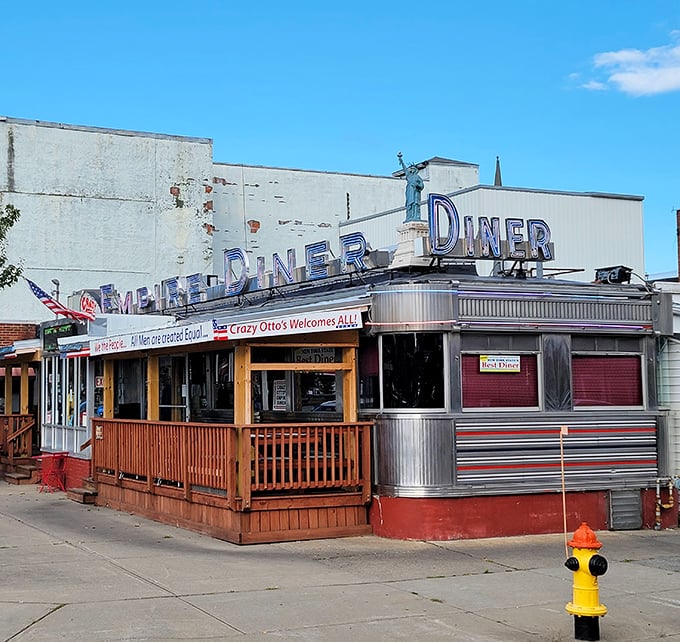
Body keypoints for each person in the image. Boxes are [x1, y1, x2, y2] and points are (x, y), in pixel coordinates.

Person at [397, 152, 424, 222]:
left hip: (416, 193)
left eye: (413, 169)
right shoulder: (409, 176)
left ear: (416, 170)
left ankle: (416, 216)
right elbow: (405, 169)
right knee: (409, 205)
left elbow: (422, 185)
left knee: (416, 204)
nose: (411, 170)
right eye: (411, 169)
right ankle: (409, 217)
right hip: (409, 192)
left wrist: (417, 185)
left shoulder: (418, 177)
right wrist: (401, 159)